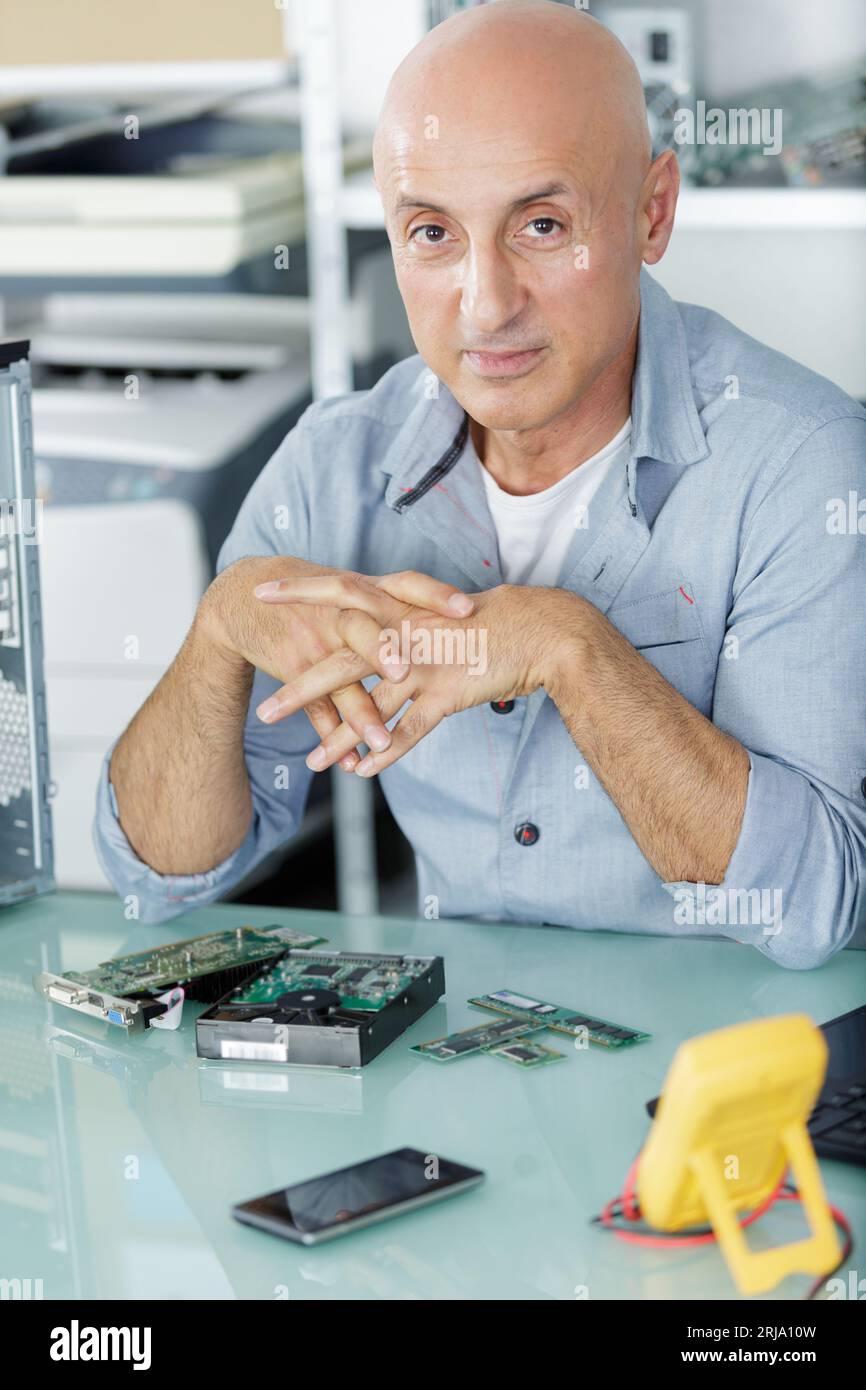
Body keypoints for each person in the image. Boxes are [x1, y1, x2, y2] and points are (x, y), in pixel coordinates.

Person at [95, 1, 866, 969]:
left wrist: (566, 645)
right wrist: (218, 634)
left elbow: (811, 909)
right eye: (431, 234)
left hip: (736, 1082)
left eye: (540, 225)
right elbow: (158, 874)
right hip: (464, 1070)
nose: (486, 304)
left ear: (651, 212)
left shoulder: (804, 464)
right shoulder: (335, 464)